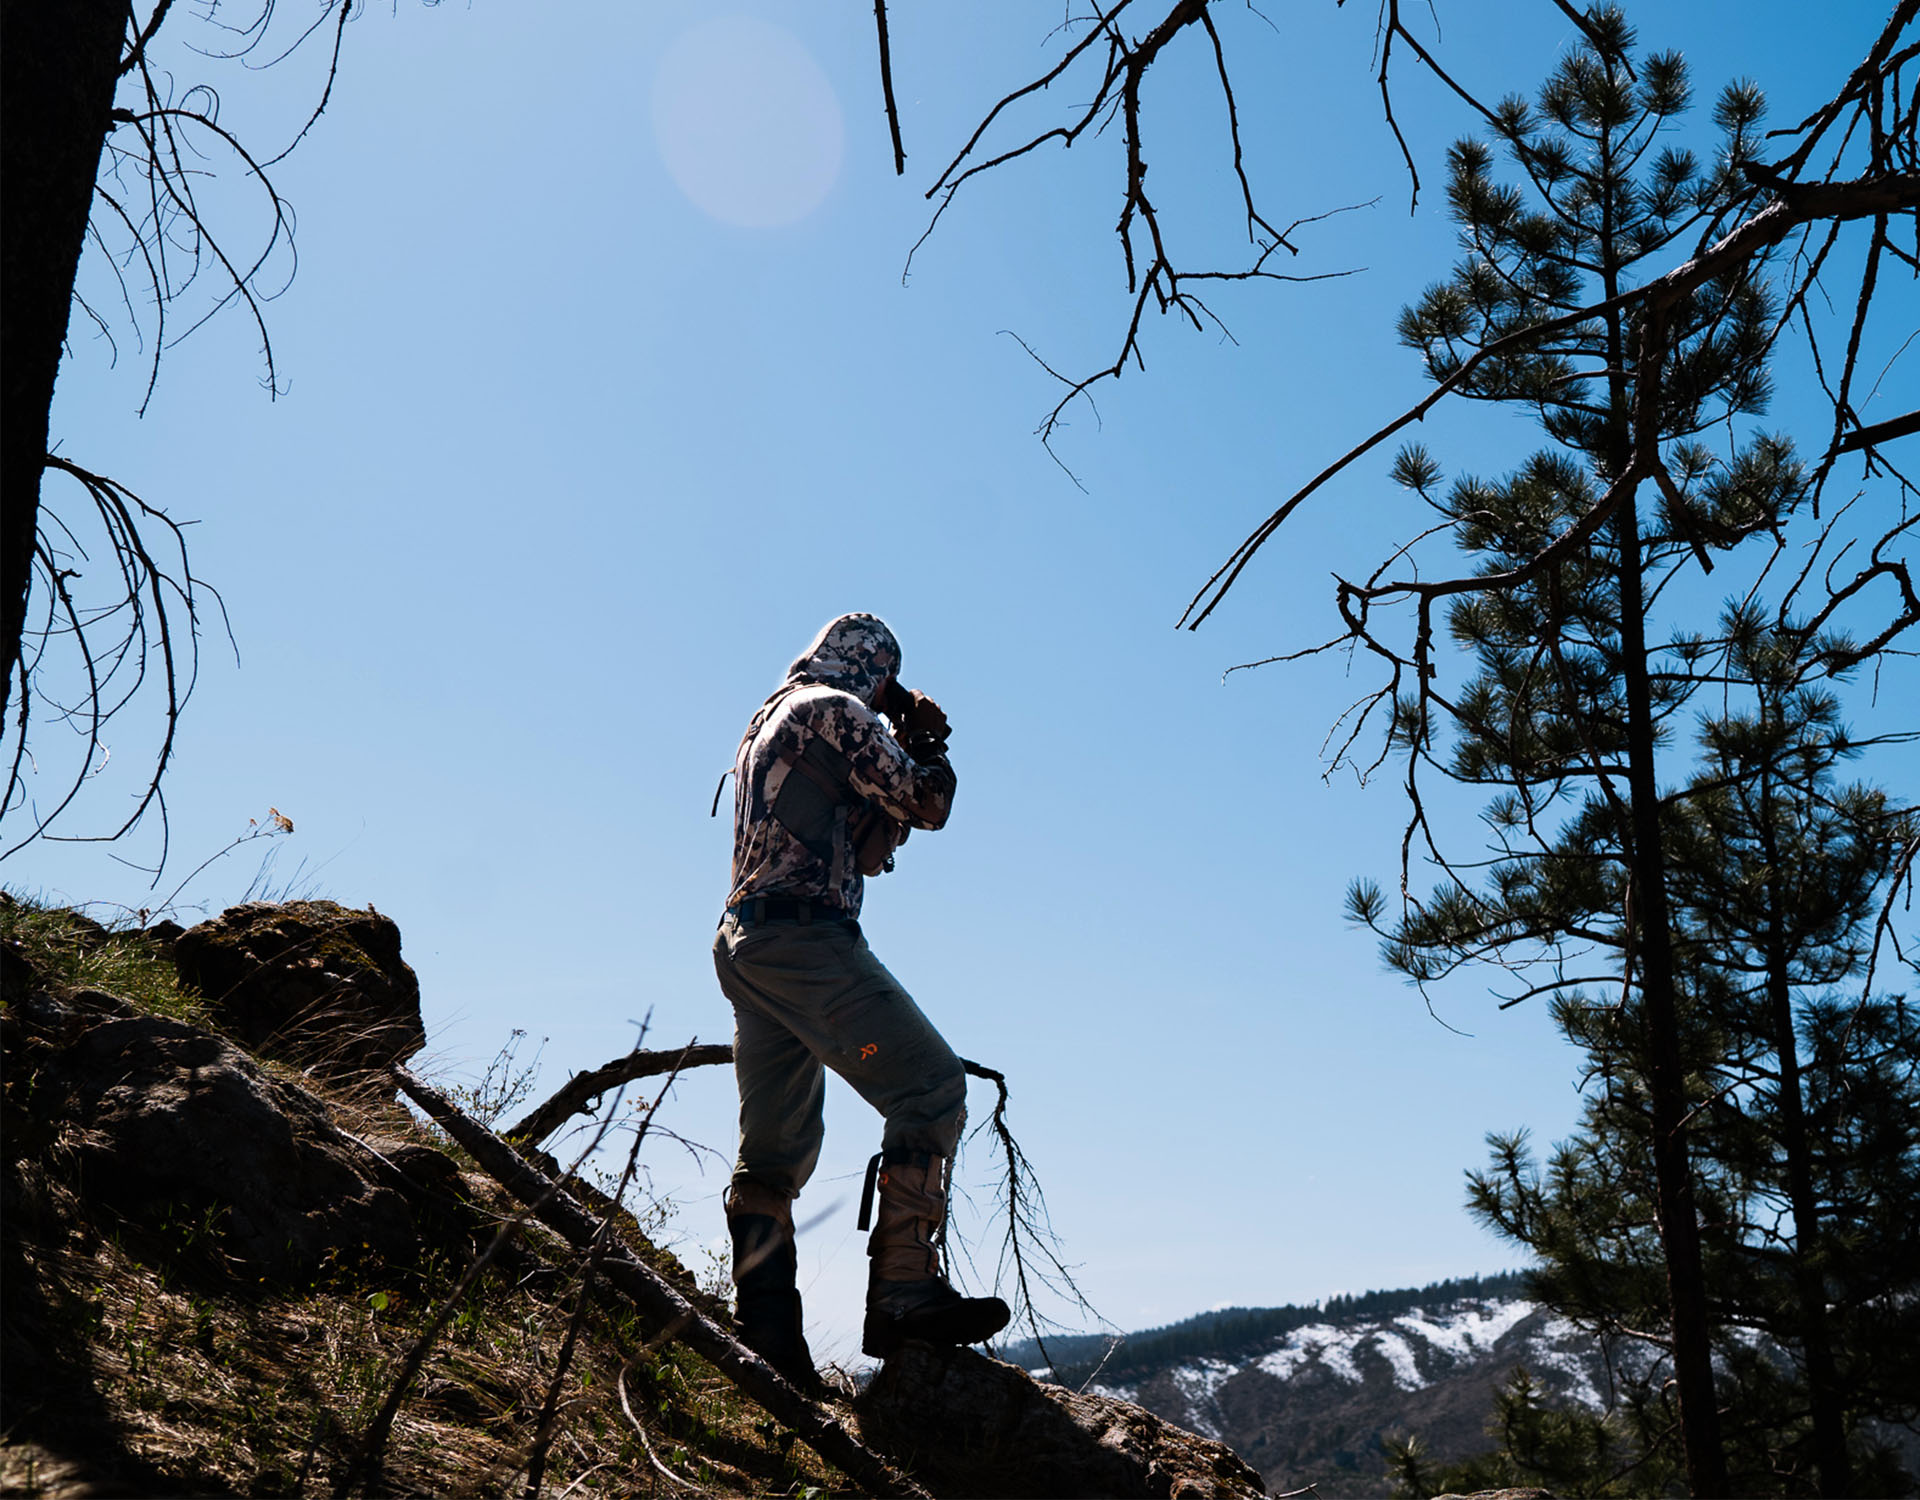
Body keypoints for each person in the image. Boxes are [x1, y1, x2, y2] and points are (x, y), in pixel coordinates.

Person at [713, 613, 1009, 1388]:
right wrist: (931, 743)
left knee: (773, 1153)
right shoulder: (833, 712)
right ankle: (905, 1293)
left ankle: (768, 1336)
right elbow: (926, 802)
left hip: (748, 946)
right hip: (808, 944)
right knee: (931, 1087)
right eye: (887, 683)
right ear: (873, 670)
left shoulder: (767, 721)